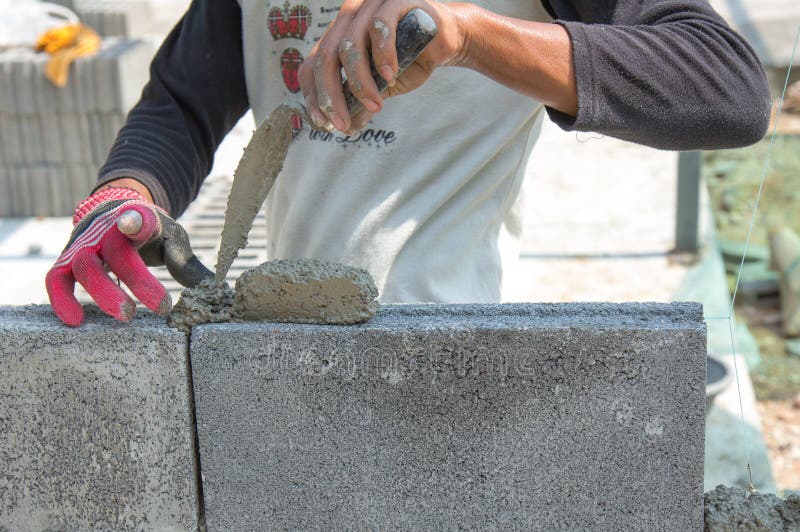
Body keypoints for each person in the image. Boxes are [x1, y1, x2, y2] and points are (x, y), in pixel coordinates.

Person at [46, 0, 771, 327]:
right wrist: (124, 192)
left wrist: (471, 35)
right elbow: (182, 100)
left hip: (441, 357)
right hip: (290, 343)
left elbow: (725, 87)